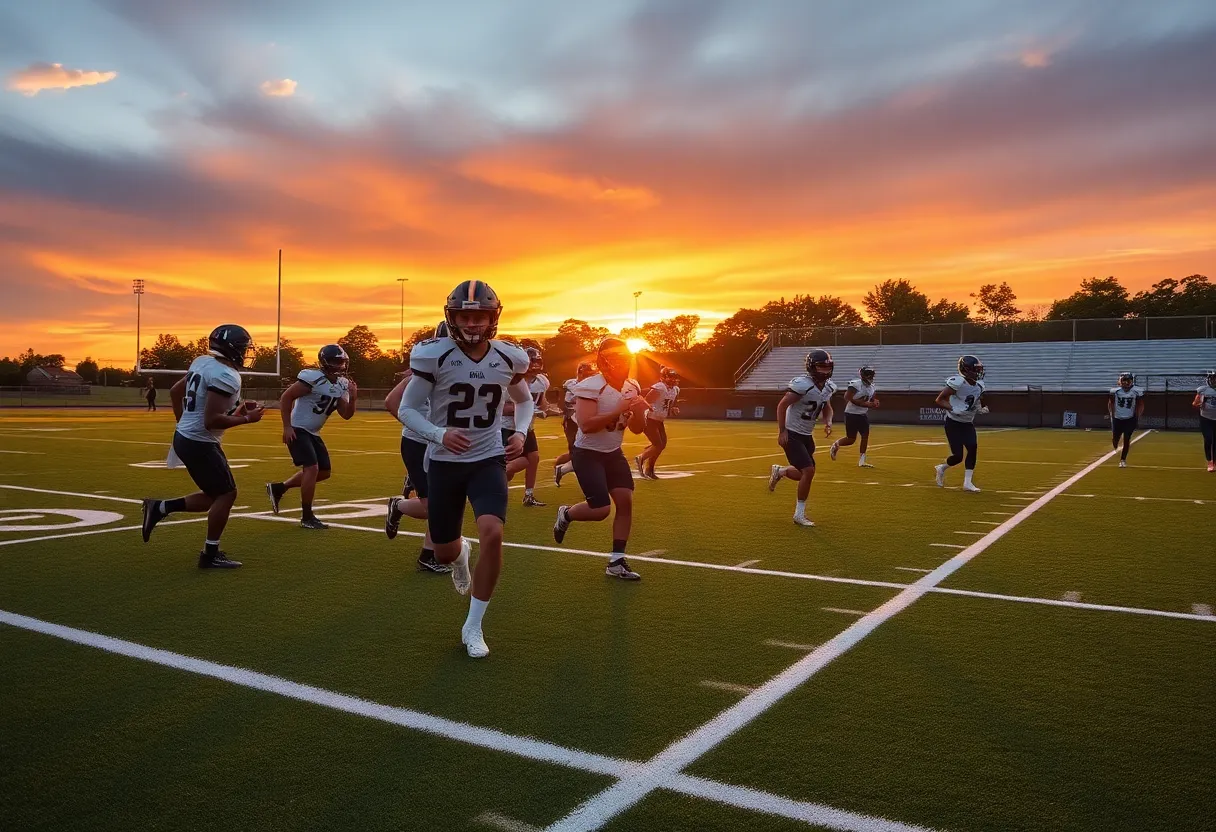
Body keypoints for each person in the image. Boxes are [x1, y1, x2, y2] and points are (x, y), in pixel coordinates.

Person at [398, 281, 535, 658]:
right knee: (443, 552)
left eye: (479, 316)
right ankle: (459, 556)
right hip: (444, 462)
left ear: (493, 318)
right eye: (464, 315)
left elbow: (525, 402)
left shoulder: (508, 357)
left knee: (493, 532)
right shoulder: (434, 355)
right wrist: (438, 434)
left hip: (488, 458)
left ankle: (473, 625)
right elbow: (406, 410)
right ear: (452, 317)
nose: (472, 323)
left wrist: (520, 433)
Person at [140, 324, 264, 568]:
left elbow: (177, 393)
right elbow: (211, 421)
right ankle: (210, 554)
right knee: (227, 494)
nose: (246, 352)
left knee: (214, 496)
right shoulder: (226, 375)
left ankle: (160, 507)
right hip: (200, 441)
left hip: (188, 437)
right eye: (243, 348)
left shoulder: (202, 362)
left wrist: (184, 423)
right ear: (232, 349)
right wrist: (247, 418)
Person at [552, 337, 648, 579]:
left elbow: (637, 428)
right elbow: (586, 425)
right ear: (604, 361)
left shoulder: (631, 386)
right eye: (616, 358)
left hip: (613, 452)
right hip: (587, 453)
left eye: (624, 358)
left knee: (625, 502)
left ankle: (616, 561)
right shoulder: (590, 386)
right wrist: (618, 409)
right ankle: (567, 513)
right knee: (601, 509)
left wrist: (638, 412)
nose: (621, 363)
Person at [383, 321, 451, 573]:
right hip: (419, 443)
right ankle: (397, 506)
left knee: (444, 502)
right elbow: (392, 402)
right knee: (433, 505)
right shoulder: (422, 372)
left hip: (444, 444)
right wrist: (420, 427)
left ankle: (428, 554)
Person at [264, 345, 357, 529]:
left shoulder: (341, 384)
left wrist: (353, 398)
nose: (340, 365)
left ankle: (279, 488)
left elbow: (346, 414)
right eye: (336, 361)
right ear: (325, 361)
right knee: (312, 469)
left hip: (313, 432)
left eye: (342, 362)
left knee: (324, 472)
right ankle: (307, 516)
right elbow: (286, 397)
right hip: (298, 428)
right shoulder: (312, 378)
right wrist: (287, 426)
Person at [768, 349, 835, 526]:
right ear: (812, 367)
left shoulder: (828, 387)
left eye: (827, 367)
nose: (825, 371)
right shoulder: (802, 385)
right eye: (821, 367)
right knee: (809, 471)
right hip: (792, 433)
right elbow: (782, 405)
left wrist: (828, 421)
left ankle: (780, 471)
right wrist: (782, 431)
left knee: (801, 474)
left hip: (807, 434)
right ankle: (799, 515)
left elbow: (827, 406)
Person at [502, 346, 549, 506]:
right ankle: (494, 483)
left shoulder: (542, 382)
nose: (534, 366)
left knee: (533, 458)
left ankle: (529, 495)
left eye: (537, 362)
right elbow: (500, 408)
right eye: (532, 362)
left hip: (527, 428)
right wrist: (526, 409)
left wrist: (541, 409)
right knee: (513, 468)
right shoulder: (510, 380)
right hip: (507, 428)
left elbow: (542, 403)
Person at [934, 355, 988, 492]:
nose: (978, 372)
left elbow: (976, 401)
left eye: (979, 370)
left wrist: (980, 408)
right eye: (975, 370)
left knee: (973, 447)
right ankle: (942, 468)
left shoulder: (979, 385)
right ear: (966, 370)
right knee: (958, 456)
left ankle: (967, 483)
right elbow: (939, 400)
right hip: (953, 423)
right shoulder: (958, 383)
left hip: (967, 423)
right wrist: (953, 409)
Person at [635, 366, 680, 480]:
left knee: (661, 445)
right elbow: (645, 401)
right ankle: (641, 458)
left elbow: (670, 406)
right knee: (658, 444)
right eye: (670, 377)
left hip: (659, 420)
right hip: (650, 419)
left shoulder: (675, 390)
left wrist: (673, 410)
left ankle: (649, 469)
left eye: (674, 377)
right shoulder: (659, 387)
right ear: (663, 377)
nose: (673, 380)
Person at [555, 362, 594, 487]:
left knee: (586, 451)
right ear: (579, 372)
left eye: (590, 374)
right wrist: (568, 411)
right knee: (575, 451)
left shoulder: (591, 385)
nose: (587, 376)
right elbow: (562, 403)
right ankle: (563, 469)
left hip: (585, 419)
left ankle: (562, 469)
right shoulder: (570, 384)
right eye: (585, 373)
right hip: (572, 420)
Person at [830, 365, 877, 467]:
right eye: (869, 376)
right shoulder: (856, 385)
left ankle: (862, 461)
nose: (870, 378)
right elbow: (847, 397)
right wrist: (863, 404)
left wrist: (874, 403)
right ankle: (836, 445)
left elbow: (871, 400)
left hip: (862, 414)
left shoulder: (872, 387)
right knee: (851, 439)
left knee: (865, 436)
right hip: (851, 414)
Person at [1108, 372, 1145, 468]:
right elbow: (1110, 403)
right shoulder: (1115, 391)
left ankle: (1123, 459)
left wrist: (1137, 416)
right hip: (1118, 418)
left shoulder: (1136, 391)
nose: (1126, 383)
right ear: (1120, 381)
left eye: (1128, 380)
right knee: (1115, 438)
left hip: (1130, 418)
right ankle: (1115, 445)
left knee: (1126, 439)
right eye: (1124, 380)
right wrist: (1112, 414)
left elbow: (1141, 404)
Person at [1194, 370, 1216, 472]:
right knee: (1208, 439)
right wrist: (1199, 403)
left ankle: (1214, 462)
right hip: (1206, 418)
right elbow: (1195, 402)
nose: (1214, 380)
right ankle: (1210, 462)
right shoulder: (1203, 390)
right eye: (1212, 378)